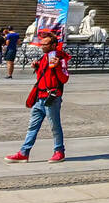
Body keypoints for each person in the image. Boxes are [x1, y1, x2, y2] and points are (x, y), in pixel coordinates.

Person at [5, 32, 70, 163]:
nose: (41, 46)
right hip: (39, 97)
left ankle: (59, 151)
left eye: (44, 44)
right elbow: (43, 76)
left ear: (53, 45)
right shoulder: (44, 58)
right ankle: (24, 152)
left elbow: (64, 78)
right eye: (41, 44)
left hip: (51, 97)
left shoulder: (60, 59)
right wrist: (37, 66)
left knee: (54, 126)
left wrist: (57, 67)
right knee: (32, 126)